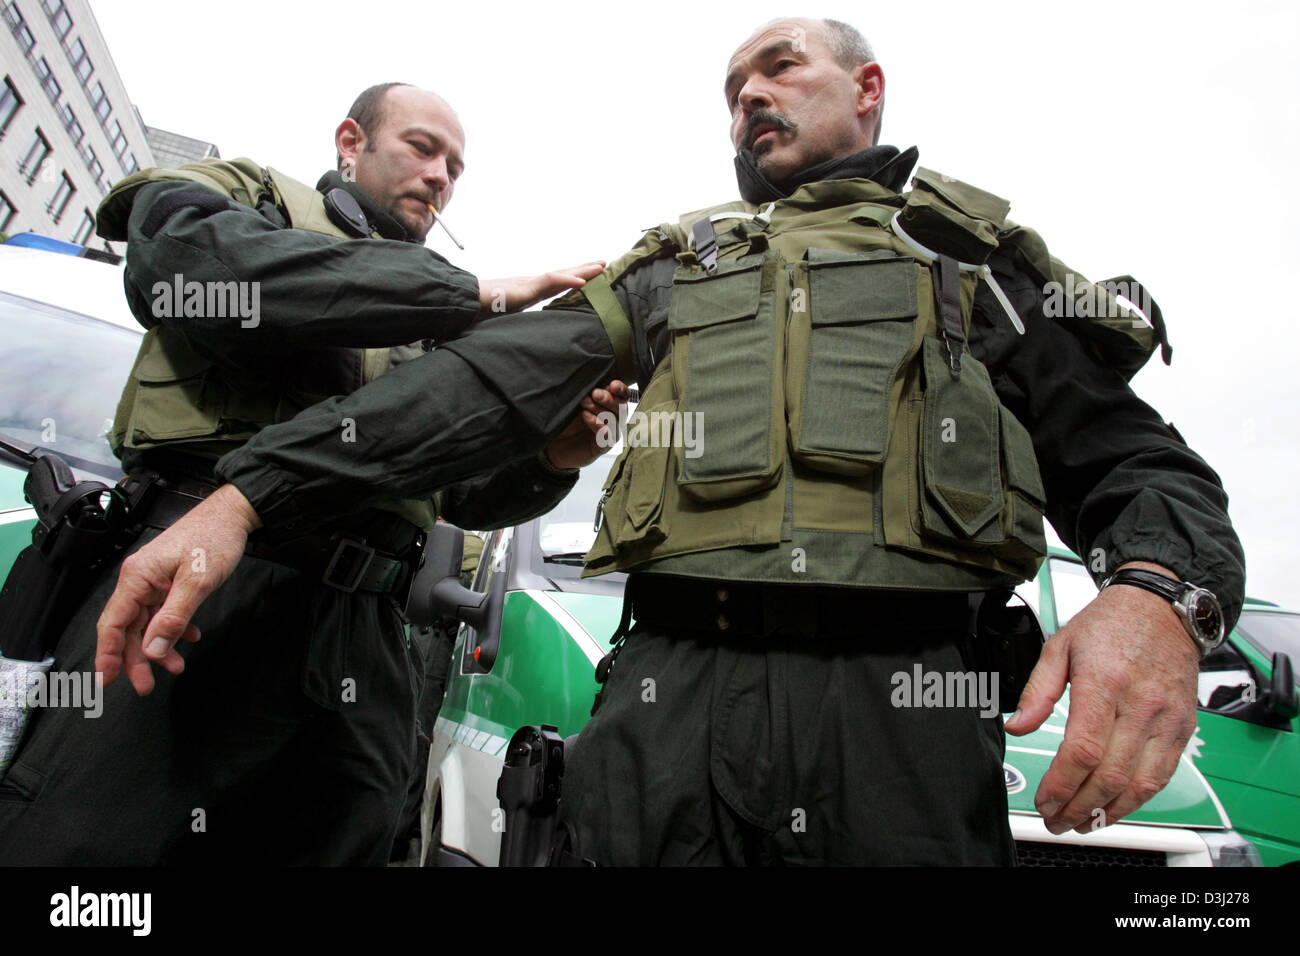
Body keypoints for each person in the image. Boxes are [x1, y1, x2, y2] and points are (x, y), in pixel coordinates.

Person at [96, 20, 1245, 866]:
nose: (749, 93)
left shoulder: (975, 269)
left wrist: (1156, 596)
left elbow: (1139, 467)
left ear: (869, 89)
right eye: (732, 83)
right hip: (664, 703)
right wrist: (248, 493)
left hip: (903, 711)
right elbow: (470, 387)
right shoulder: (673, 268)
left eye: (780, 65)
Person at [0, 82, 617, 865]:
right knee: (93, 857)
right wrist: (471, 295)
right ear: (350, 141)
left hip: (365, 638)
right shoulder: (249, 195)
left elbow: (455, 491)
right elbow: (191, 266)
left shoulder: (431, 318)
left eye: (456, 166)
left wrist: (556, 455)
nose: (440, 176)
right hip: (208, 587)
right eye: (423, 148)